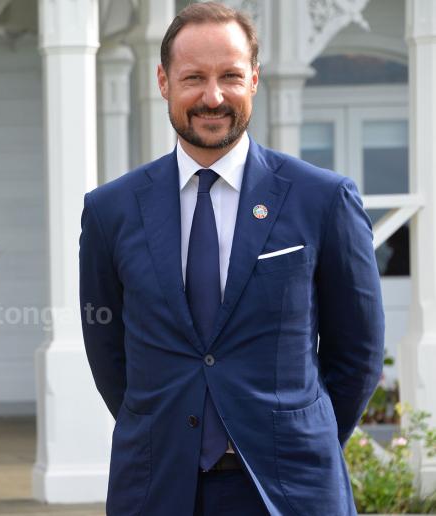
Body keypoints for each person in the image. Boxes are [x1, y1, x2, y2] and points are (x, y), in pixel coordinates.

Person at [79, 3, 384, 516]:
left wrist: (303, 435)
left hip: (289, 488)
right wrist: (162, 428)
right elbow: (107, 350)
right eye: (193, 77)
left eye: (230, 76)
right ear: (163, 81)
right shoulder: (111, 210)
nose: (213, 96)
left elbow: (358, 351)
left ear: (254, 80)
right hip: (157, 486)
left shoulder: (323, 199)